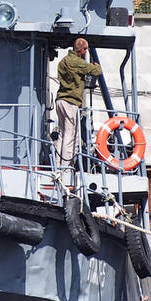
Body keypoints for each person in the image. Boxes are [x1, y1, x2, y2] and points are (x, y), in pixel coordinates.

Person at [55, 37, 102, 188]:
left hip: (60, 100)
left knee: (62, 135)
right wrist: (95, 63)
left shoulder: (63, 62)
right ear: (82, 50)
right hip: (71, 103)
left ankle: (57, 165)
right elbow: (97, 71)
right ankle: (66, 169)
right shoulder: (79, 62)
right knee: (71, 135)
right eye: (86, 50)